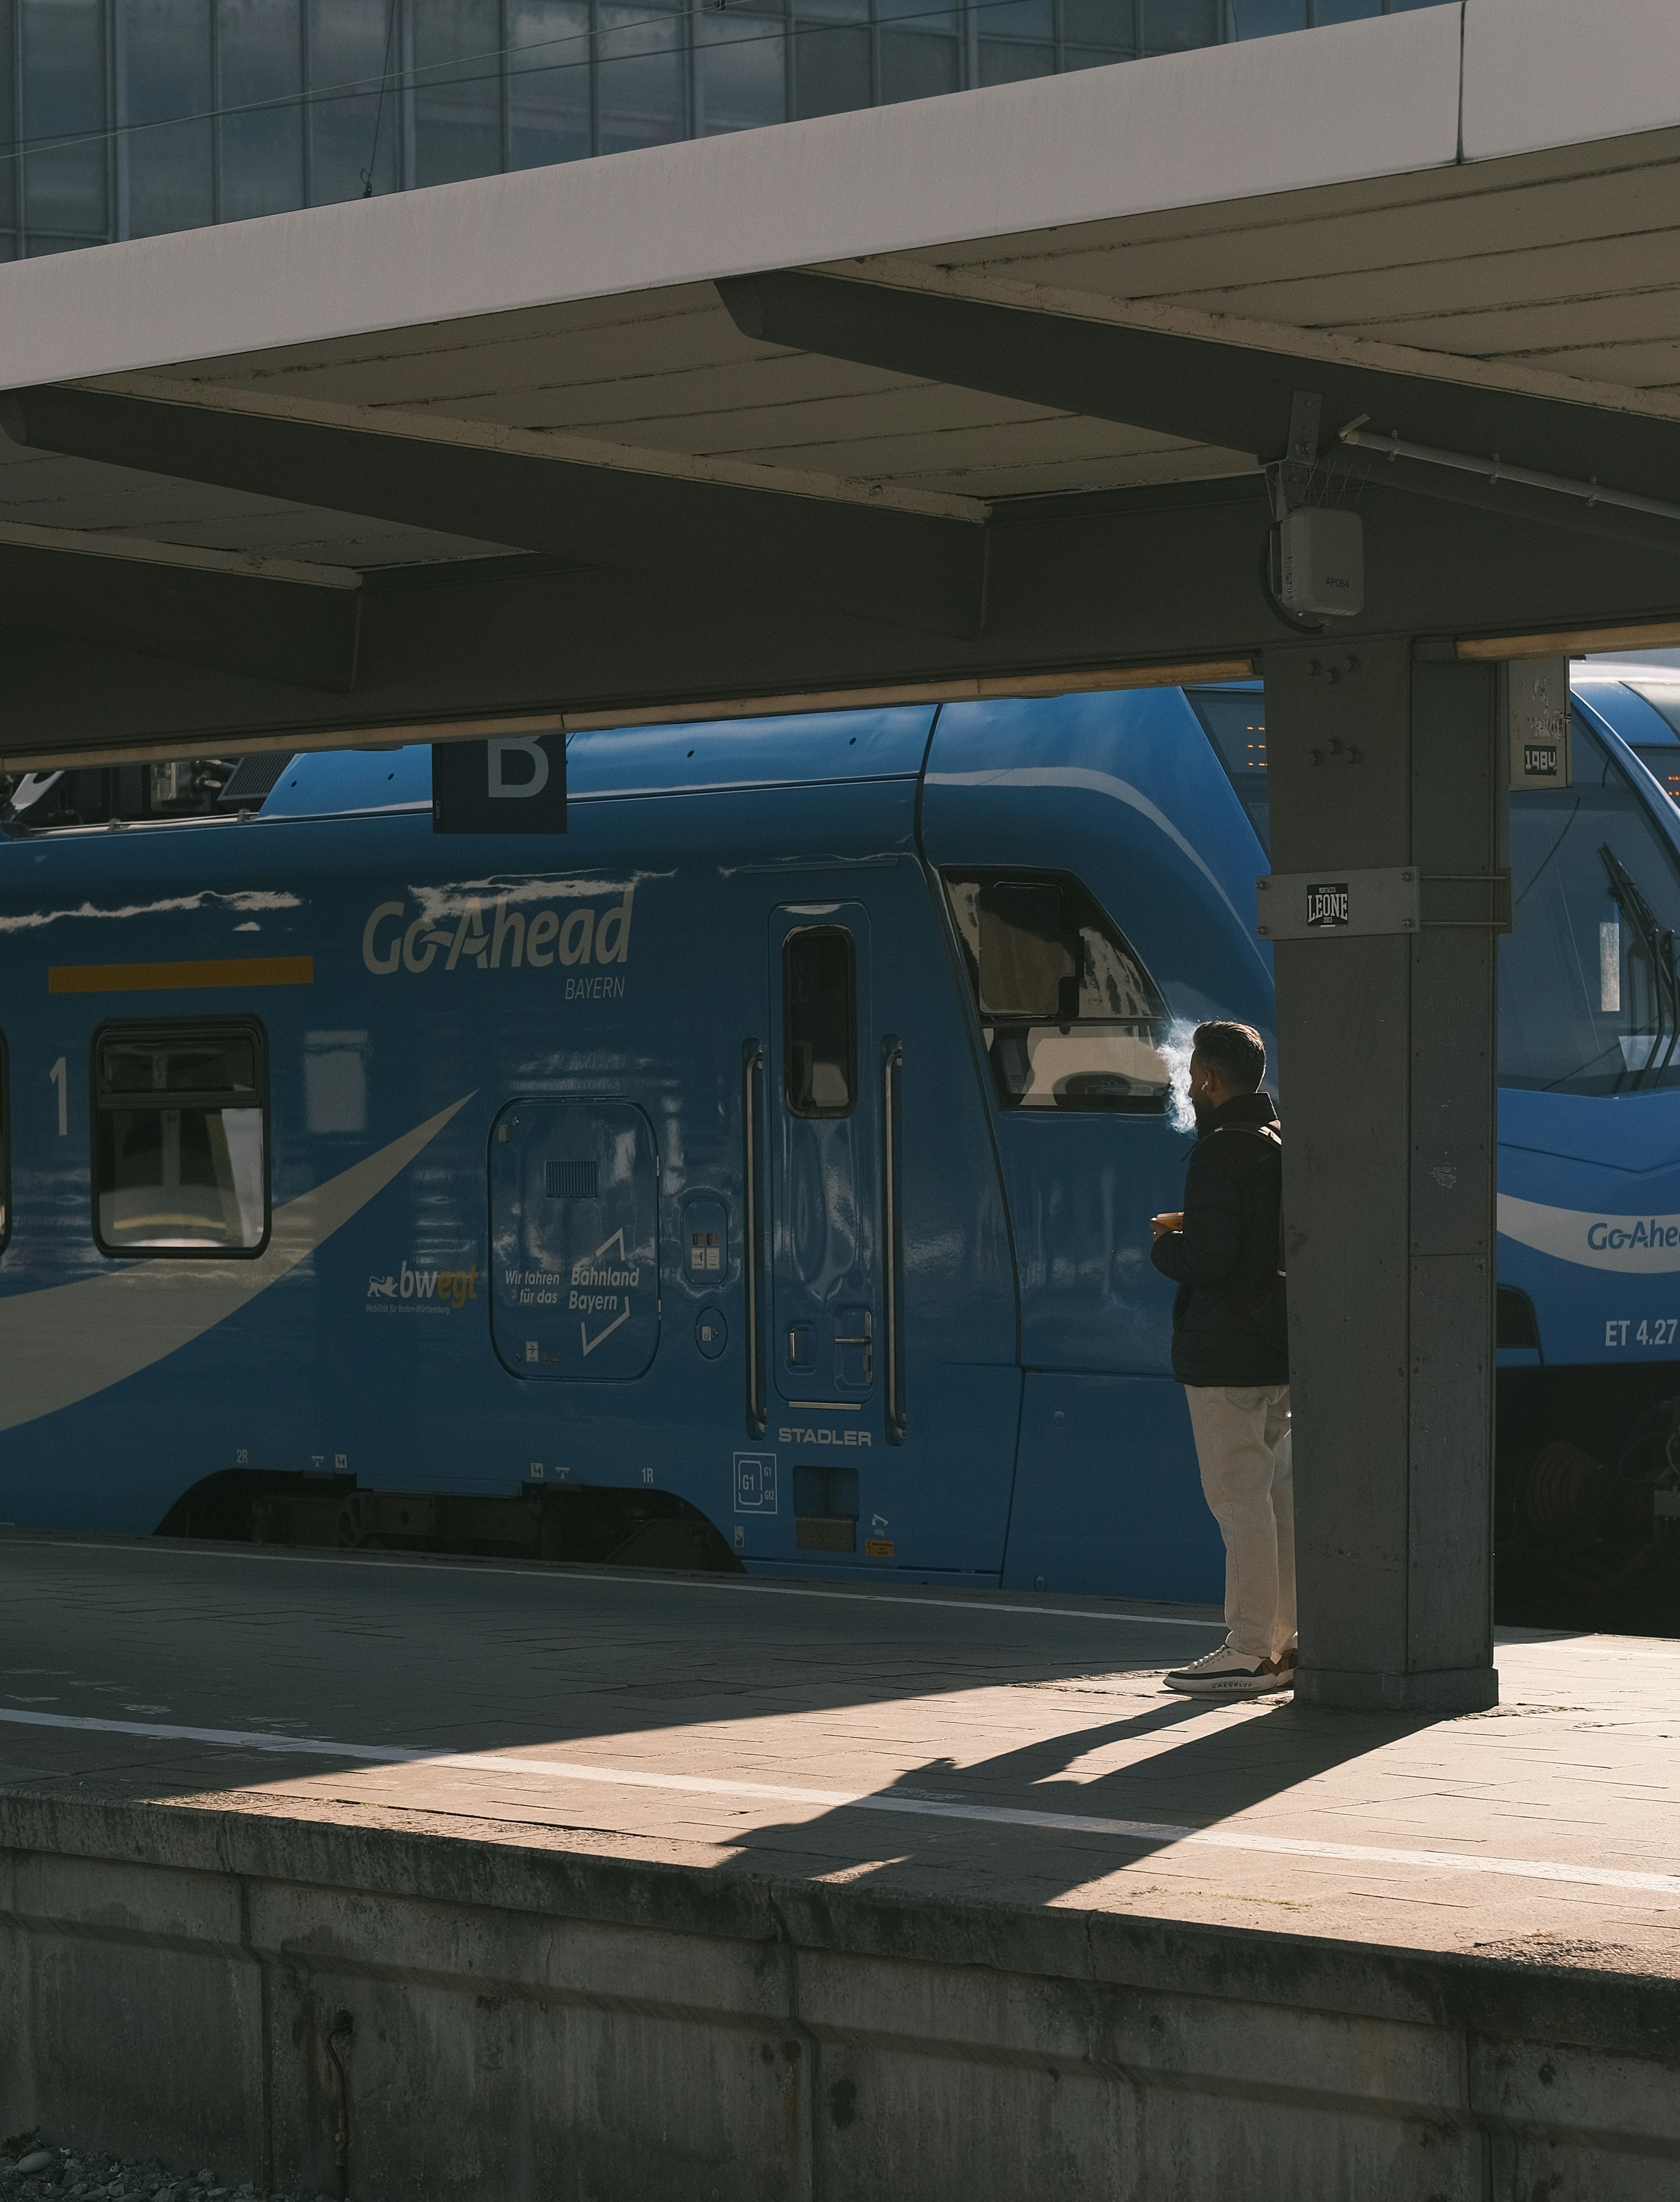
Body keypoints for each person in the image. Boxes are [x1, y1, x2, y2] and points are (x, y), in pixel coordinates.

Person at [1149, 1020, 1294, 1699]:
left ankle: (1247, 1649)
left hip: (1225, 1350)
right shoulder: (1275, 1139)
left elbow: (1210, 1258)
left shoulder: (1220, 1151)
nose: (1188, 1085)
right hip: (1274, 1346)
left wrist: (1163, 1246)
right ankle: (1287, 1642)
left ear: (1208, 1079)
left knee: (1238, 1498)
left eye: (1192, 1076)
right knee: (1277, 1498)